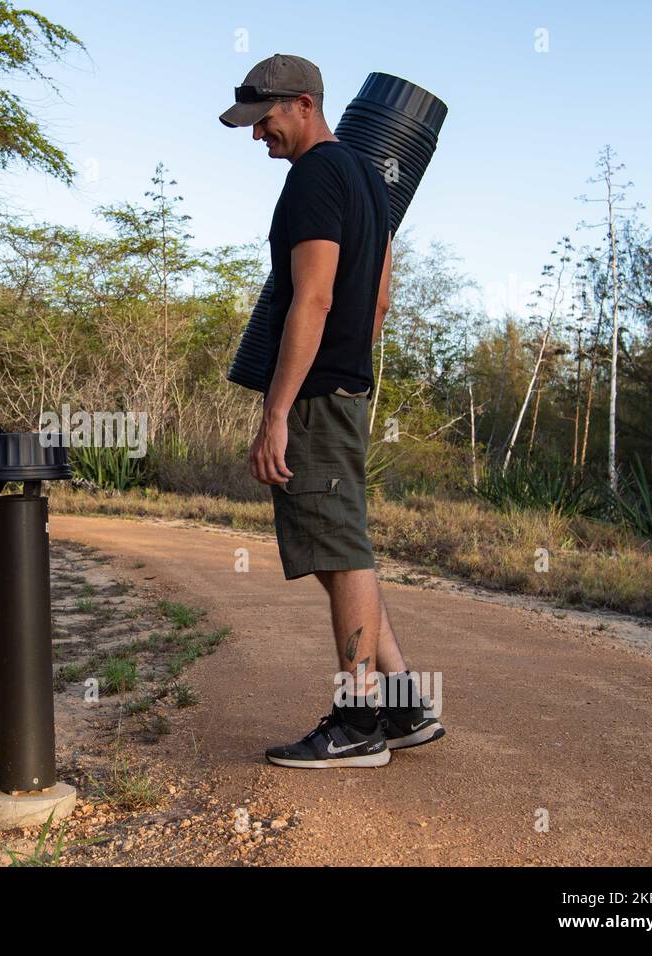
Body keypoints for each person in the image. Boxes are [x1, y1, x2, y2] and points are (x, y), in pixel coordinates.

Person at [219, 54, 445, 768]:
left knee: (341, 551)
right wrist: (352, 368)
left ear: (305, 104)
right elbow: (377, 301)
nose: (258, 136)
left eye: (266, 119)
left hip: (317, 396)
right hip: (347, 388)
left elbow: (313, 298)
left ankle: (357, 725)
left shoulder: (315, 178)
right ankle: (403, 703)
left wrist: (278, 412)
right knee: (336, 543)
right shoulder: (373, 185)